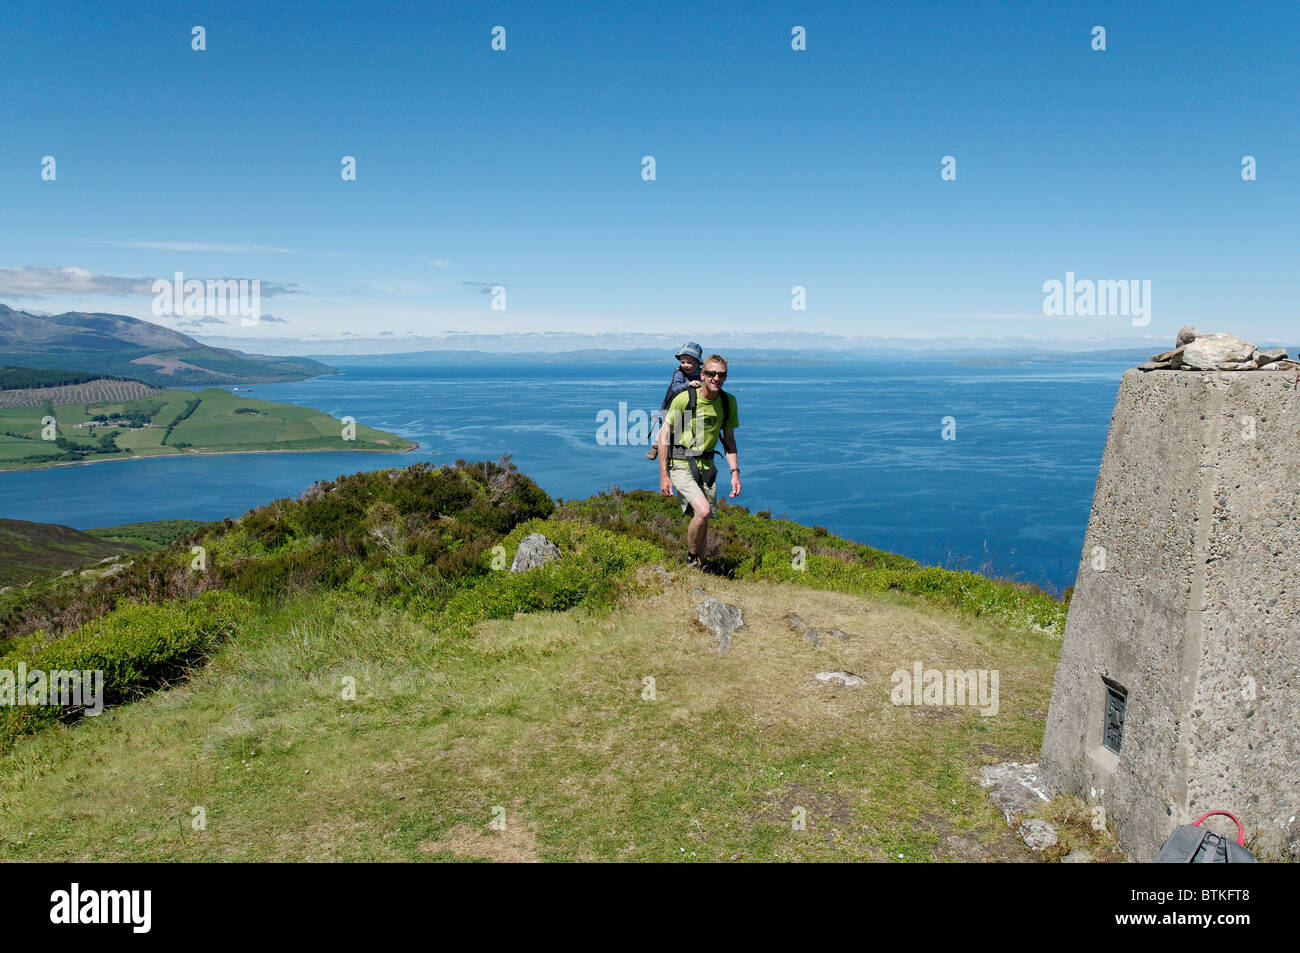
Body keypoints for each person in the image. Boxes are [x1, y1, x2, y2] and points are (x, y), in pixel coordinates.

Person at [657, 354, 740, 569]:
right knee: (702, 511)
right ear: (702, 375)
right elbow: (664, 433)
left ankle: (698, 569)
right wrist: (664, 475)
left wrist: (735, 473)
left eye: (721, 375)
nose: (716, 378)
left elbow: (729, 441)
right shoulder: (685, 398)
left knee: (704, 522)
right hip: (681, 461)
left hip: (708, 466)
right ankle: (692, 557)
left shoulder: (728, 402)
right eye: (711, 373)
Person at [646, 343, 703, 459]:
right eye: (683, 362)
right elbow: (675, 387)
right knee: (667, 426)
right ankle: (655, 446)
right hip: (672, 403)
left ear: (697, 363)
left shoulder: (702, 374)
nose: (685, 365)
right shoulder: (679, 373)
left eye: (689, 362)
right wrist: (688, 384)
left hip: (690, 405)